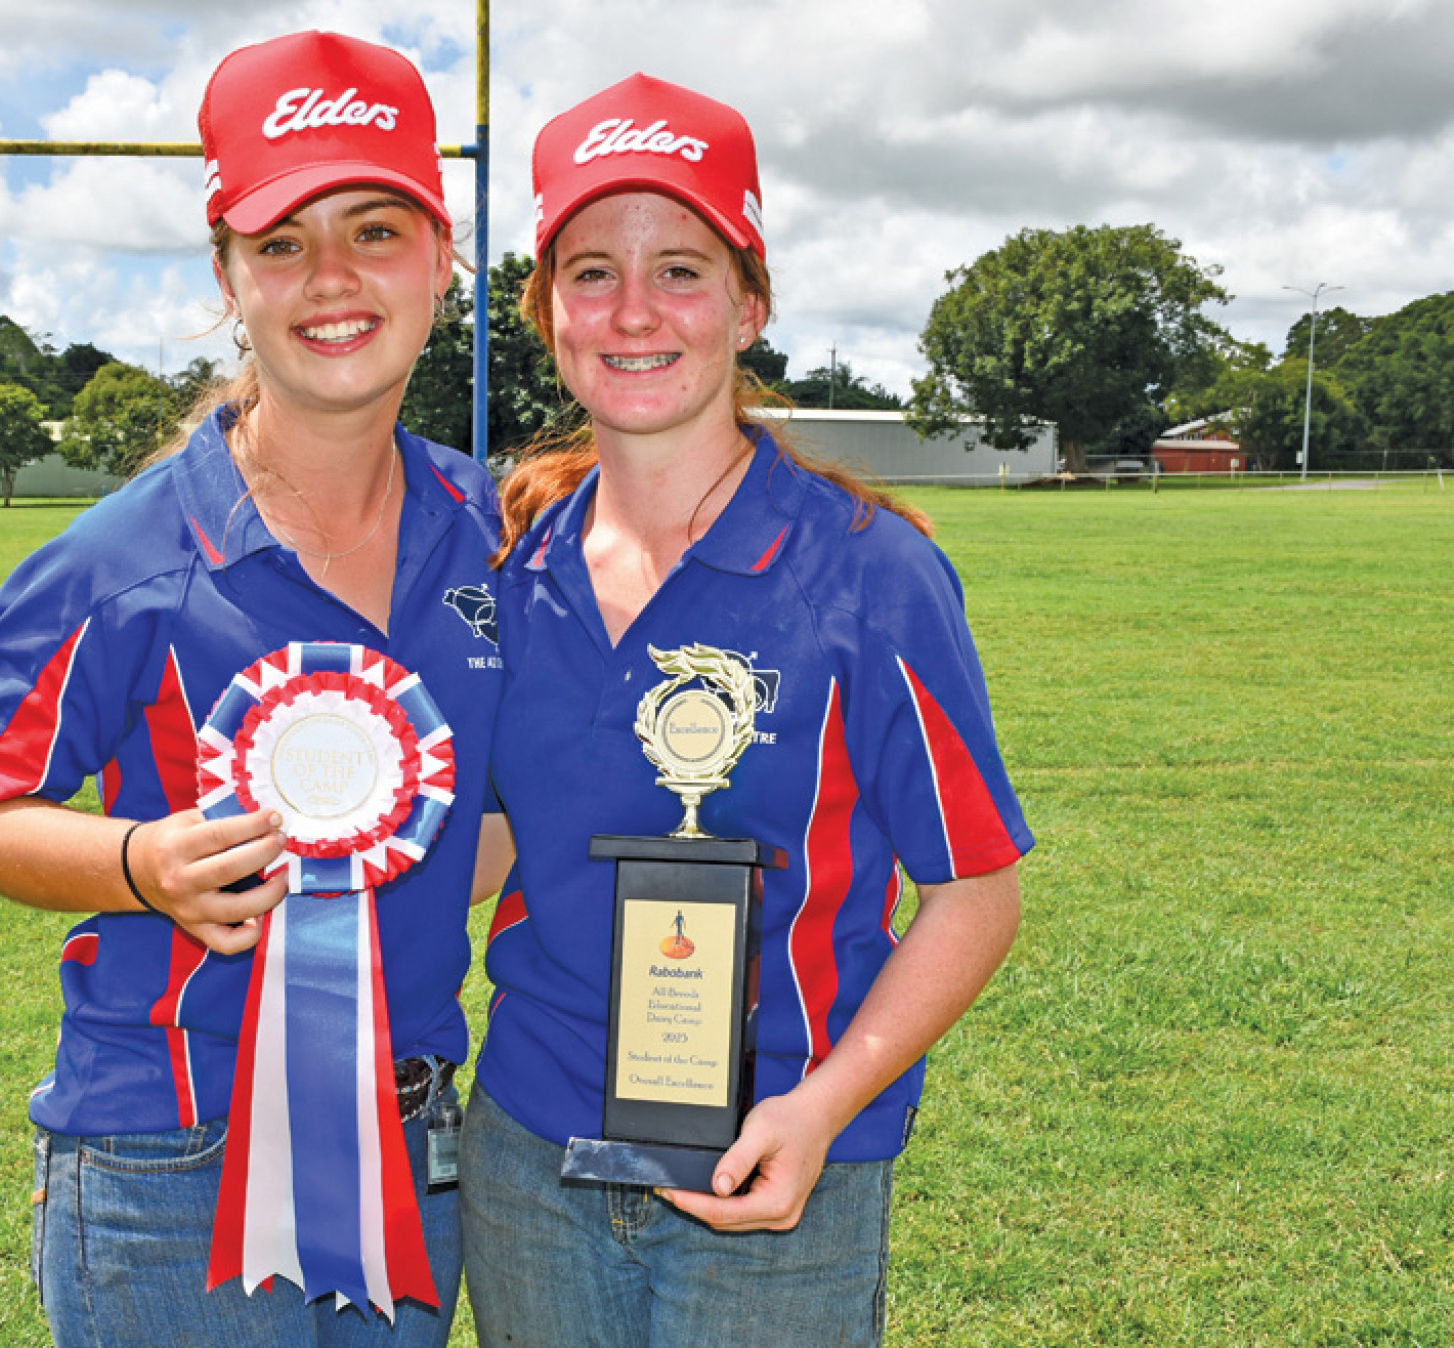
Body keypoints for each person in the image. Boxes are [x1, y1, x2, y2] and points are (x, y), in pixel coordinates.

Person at [0, 31, 506, 1348]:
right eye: (282, 243)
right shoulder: (116, 562)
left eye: (374, 229)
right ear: (226, 279)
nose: (332, 279)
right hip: (168, 1163)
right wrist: (142, 862)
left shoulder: (496, 536)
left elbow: (485, 829)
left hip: (412, 1151)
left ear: (440, 259)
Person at [461, 73, 1033, 1347]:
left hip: (779, 1168)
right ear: (546, 311)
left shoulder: (872, 570)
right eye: (590, 272)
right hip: (527, 1156)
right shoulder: (506, 568)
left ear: (748, 301)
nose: (632, 311)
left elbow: (974, 891)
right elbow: (509, 840)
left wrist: (824, 1104)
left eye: (680, 267)